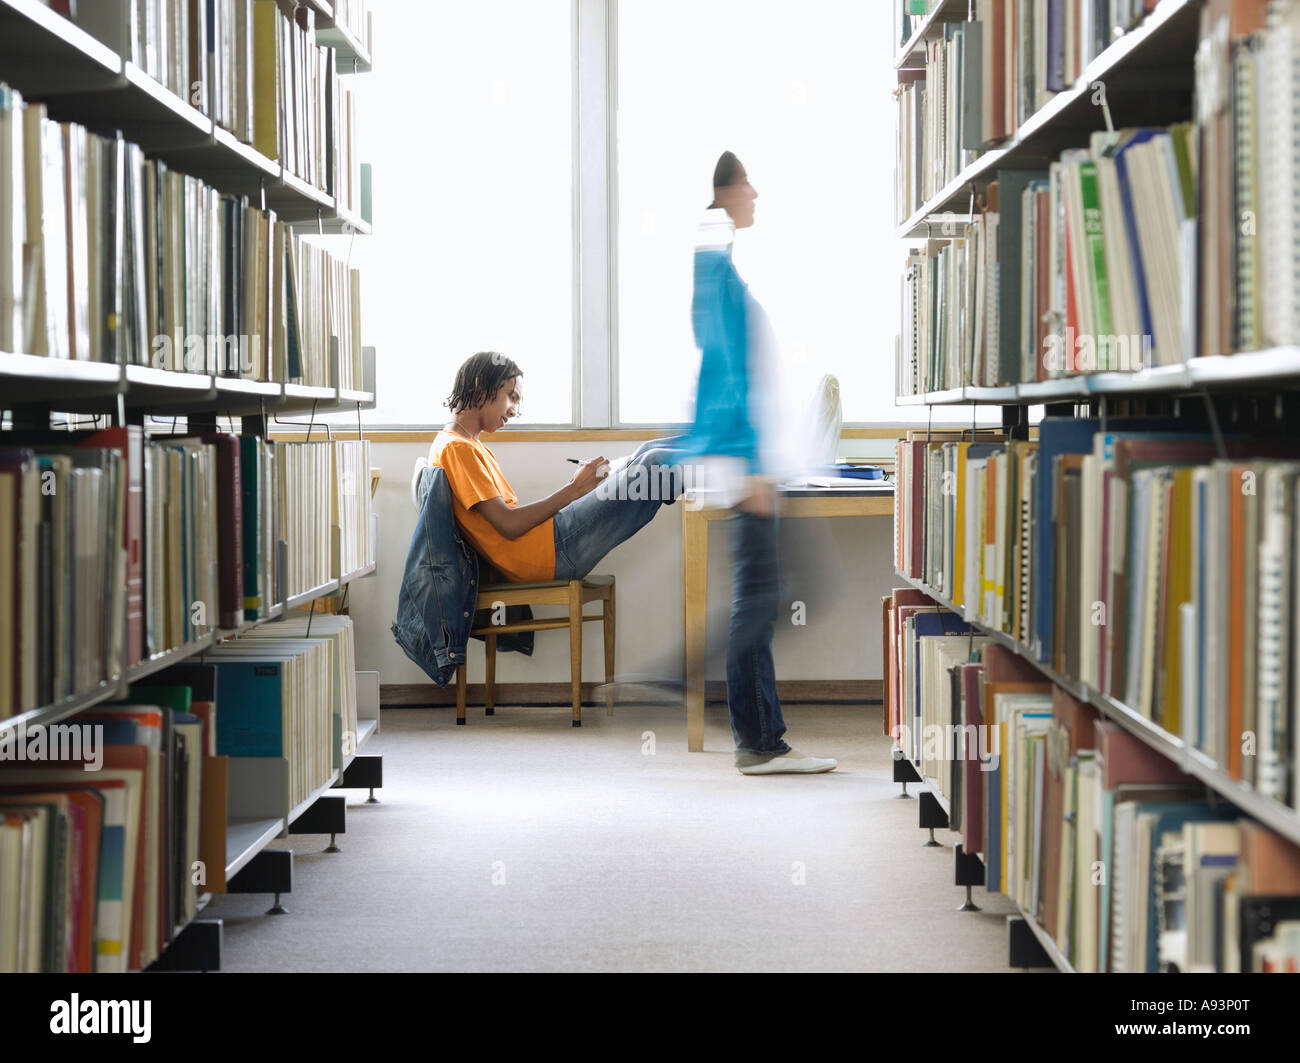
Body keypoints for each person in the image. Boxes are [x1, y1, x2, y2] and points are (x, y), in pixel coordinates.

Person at [682, 151, 837, 776]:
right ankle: (755, 738)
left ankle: (762, 736)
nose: (756, 194)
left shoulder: (719, 263)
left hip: (749, 462)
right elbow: (725, 367)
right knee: (762, 598)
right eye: (748, 184)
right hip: (744, 465)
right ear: (727, 189)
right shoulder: (715, 262)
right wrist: (750, 464)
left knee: (766, 597)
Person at [417, 351, 688, 583]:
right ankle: (724, 457)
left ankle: (717, 440)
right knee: (654, 464)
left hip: (549, 542)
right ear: (480, 385)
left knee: (648, 452)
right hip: (548, 554)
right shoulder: (457, 448)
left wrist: (576, 490)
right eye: (511, 396)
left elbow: (509, 519)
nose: (514, 411)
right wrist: (574, 489)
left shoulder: (464, 444)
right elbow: (509, 525)